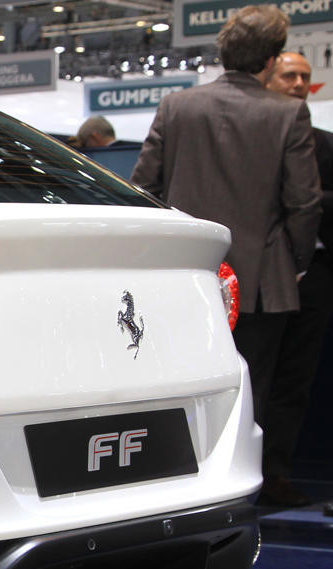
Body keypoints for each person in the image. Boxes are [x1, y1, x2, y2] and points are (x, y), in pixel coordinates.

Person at [130, 5, 321, 507]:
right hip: (262, 282)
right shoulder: (287, 113)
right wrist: (294, 265)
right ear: (272, 58)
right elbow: (303, 202)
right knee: (254, 391)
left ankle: (180, 486)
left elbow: (144, 189)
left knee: (179, 385)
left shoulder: (177, 106)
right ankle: (245, 487)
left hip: (185, 279)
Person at [260, 51, 333, 506]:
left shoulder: (325, 144)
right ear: (269, 79)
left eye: (305, 76)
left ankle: (276, 474)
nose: (298, 83)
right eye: (290, 75)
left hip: (316, 274)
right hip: (259, 270)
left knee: (294, 380)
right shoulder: (254, 137)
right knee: (255, 374)